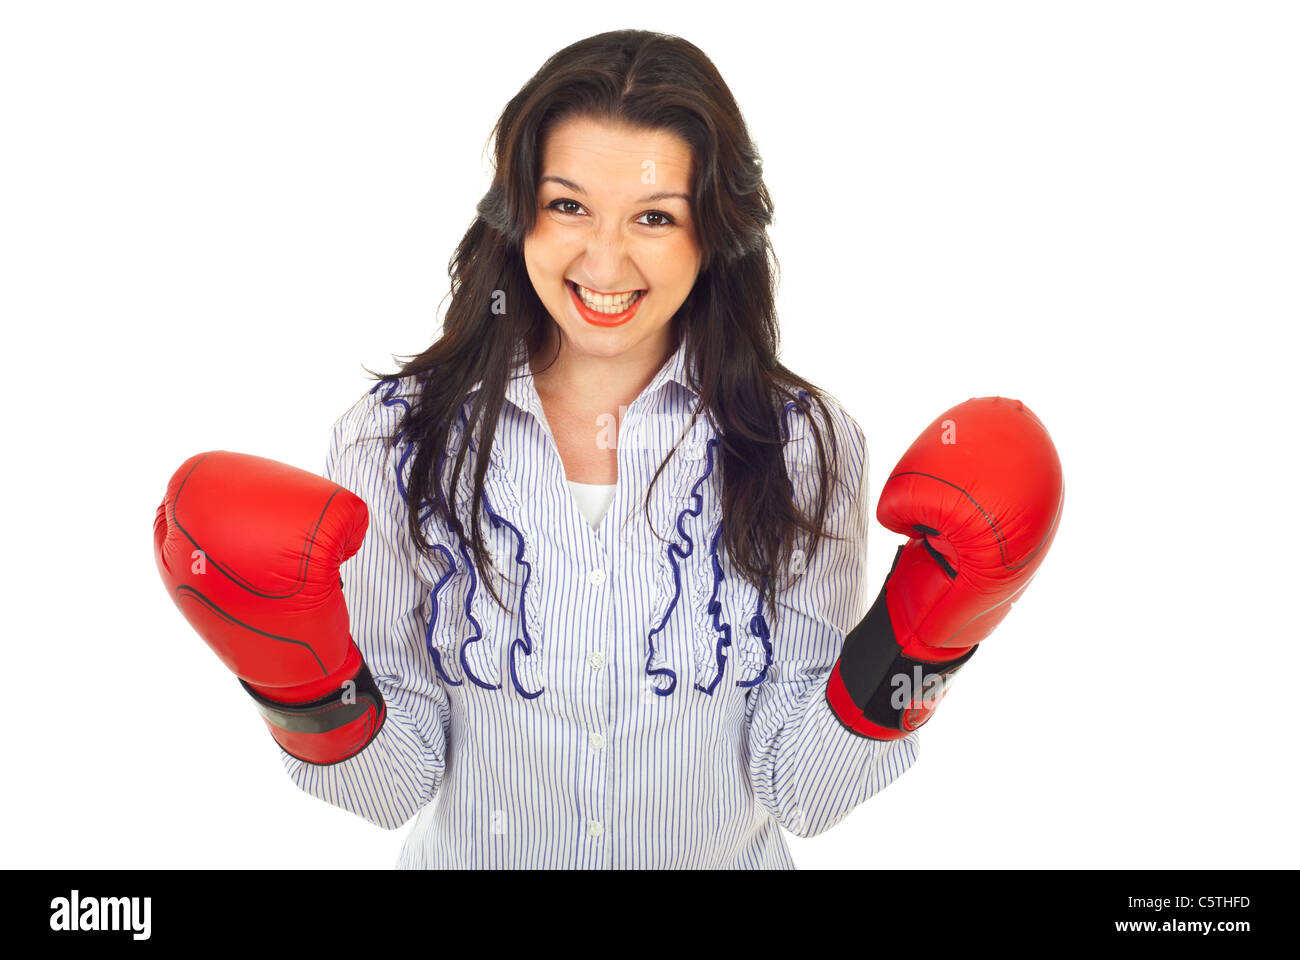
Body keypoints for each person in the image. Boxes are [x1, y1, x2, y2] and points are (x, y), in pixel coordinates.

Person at [153, 29, 1062, 870]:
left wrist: (921, 647)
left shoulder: (801, 444)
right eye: (568, 206)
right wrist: (294, 679)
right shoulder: (394, 437)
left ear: (715, 231)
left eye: (655, 216)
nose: (605, 259)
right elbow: (391, 786)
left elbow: (802, 787)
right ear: (518, 216)